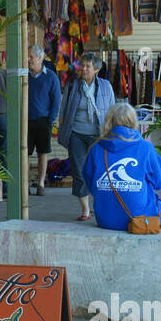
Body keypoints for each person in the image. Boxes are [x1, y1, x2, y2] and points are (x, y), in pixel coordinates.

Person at [83, 104, 161, 232]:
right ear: (134, 121)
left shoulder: (96, 148)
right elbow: (159, 183)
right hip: (139, 219)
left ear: (109, 122)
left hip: (105, 220)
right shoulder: (146, 147)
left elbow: (90, 183)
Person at [56, 51, 115, 220]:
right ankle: (86, 210)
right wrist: (62, 126)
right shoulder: (72, 85)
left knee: (99, 171)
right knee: (79, 171)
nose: (83, 69)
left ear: (96, 69)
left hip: (99, 134)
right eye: (82, 65)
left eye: (87, 66)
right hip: (77, 134)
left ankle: (101, 205)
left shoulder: (105, 86)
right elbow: (64, 108)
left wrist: (112, 131)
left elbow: (112, 110)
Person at [26, 45, 60, 197]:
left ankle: (40, 184)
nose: (28, 60)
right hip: (26, 121)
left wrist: (50, 120)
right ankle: (25, 184)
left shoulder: (51, 77)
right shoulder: (24, 76)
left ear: (40, 58)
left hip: (43, 120)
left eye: (31, 57)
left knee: (42, 153)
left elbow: (56, 101)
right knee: (24, 153)